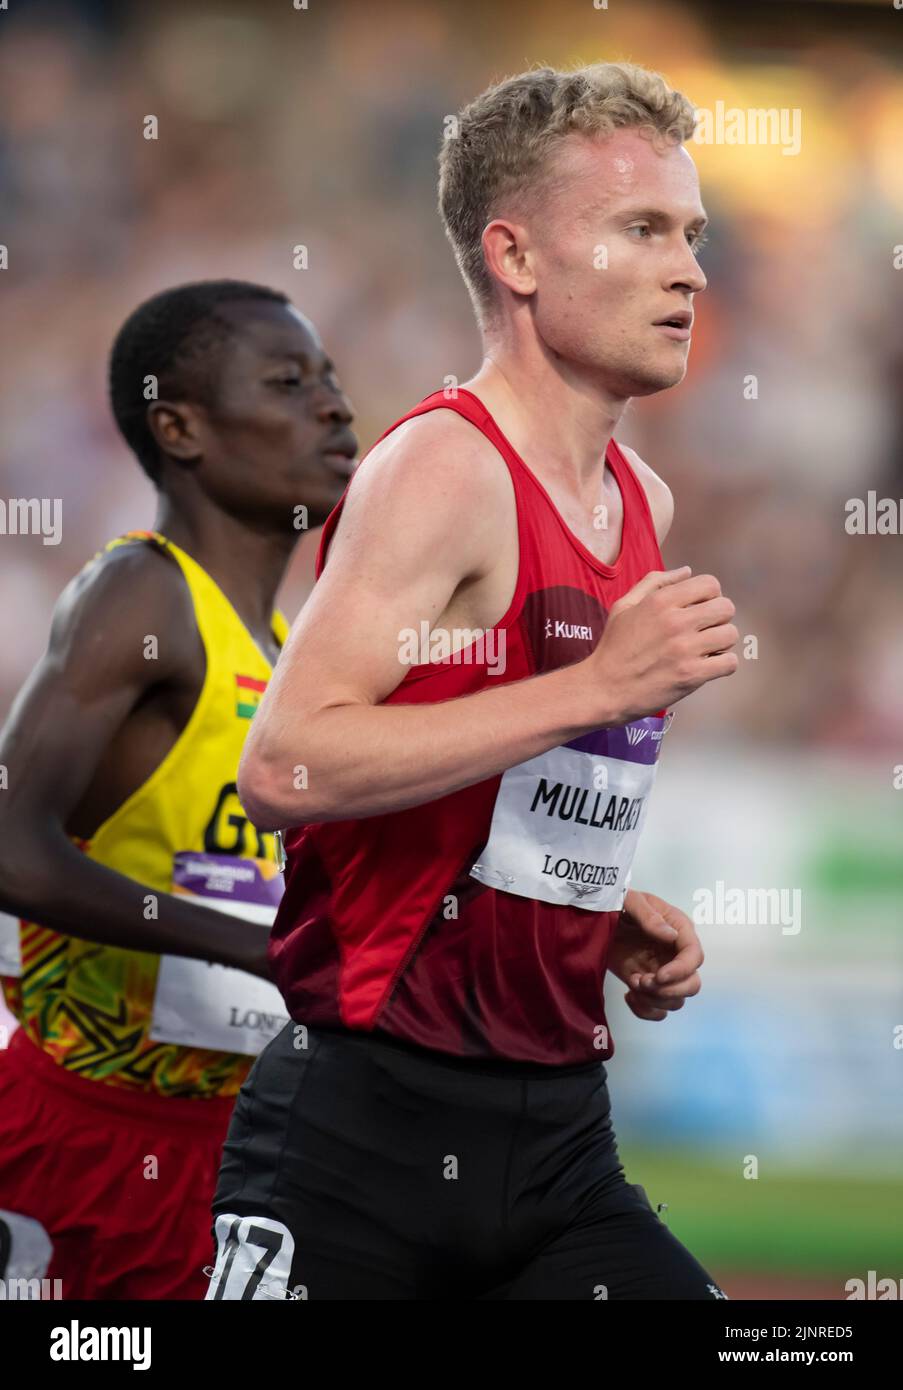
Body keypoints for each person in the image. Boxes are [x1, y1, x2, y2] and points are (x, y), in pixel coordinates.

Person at [211, 64, 738, 1301]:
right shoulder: (444, 470)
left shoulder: (642, 504)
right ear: (516, 257)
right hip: (363, 1130)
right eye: (643, 230)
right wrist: (594, 686)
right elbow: (287, 766)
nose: (692, 273)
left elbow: (483, 788)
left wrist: (584, 912)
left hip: (557, 1132)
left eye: (693, 234)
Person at [0, 280, 356, 1299]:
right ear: (181, 426)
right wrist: (254, 948)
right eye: (288, 383)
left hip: (235, 1157)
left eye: (331, 380)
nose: (334, 407)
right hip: (75, 1139)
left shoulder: (292, 659)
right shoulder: (144, 594)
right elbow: (9, 843)